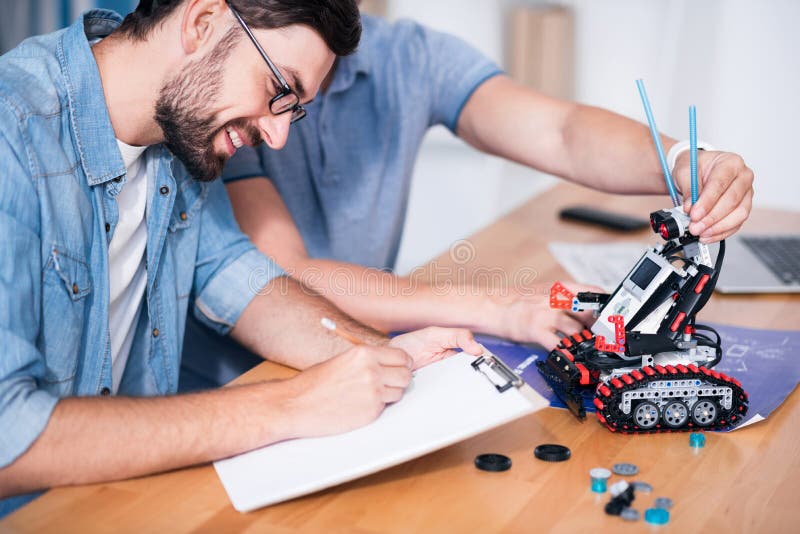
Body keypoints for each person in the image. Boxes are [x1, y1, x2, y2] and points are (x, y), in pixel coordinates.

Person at [0, 0, 483, 514]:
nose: (276, 137)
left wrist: (387, 357)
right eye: (280, 90)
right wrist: (293, 405)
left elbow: (241, 279)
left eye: (294, 108)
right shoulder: (13, 135)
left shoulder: (178, 134)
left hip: (113, 502)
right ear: (202, 21)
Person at [181, 12, 755, 386]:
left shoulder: (410, 56)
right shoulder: (240, 82)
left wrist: (685, 158)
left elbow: (562, 131)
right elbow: (285, 275)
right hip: (239, 379)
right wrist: (498, 306)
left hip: (360, 354)